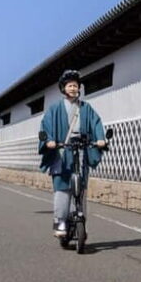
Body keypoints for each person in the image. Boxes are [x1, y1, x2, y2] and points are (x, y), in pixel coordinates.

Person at [38, 70, 106, 237]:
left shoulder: (86, 108)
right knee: (62, 187)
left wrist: (100, 138)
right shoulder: (54, 109)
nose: (73, 88)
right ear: (63, 88)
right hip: (62, 151)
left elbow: (96, 123)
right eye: (70, 85)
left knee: (80, 186)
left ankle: (79, 217)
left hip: (81, 150)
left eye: (76, 85)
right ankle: (60, 220)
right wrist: (49, 141)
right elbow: (45, 126)